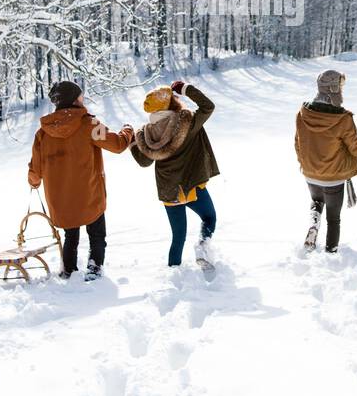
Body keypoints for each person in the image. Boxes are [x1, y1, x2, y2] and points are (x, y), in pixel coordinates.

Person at [27, 80, 134, 281]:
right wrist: (127, 131)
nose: (83, 100)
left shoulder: (43, 133)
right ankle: (94, 269)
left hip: (61, 198)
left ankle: (68, 271)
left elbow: (35, 169)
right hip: (89, 194)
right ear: (74, 100)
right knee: (97, 235)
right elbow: (117, 144)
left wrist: (33, 182)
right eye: (80, 96)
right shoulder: (89, 124)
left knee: (71, 235)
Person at [130, 80, 220, 270]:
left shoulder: (147, 134)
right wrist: (186, 88)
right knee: (209, 218)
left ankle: (174, 271)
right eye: (174, 97)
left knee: (178, 236)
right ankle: (203, 248)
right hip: (192, 186)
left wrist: (132, 142)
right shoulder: (187, 122)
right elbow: (208, 106)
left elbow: (144, 161)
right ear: (172, 103)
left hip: (170, 191)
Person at [294, 69, 357, 253]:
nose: (342, 91)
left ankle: (313, 225)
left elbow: (297, 143)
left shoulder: (302, 113)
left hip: (310, 174)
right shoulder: (342, 119)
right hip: (334, 177)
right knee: (333, 219)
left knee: (317, 201)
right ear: (334, 90)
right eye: (340, 87)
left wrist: (306, 164)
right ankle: (331, 252)